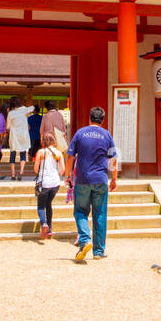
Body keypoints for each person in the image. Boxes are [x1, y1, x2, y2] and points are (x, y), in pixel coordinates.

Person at [66, 105, 117, 262]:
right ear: (102, 120)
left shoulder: (80, 133)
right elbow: (113, 159)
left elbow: (70, 155)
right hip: (101, 180)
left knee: (80, 211)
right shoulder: (107, 135)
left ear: (89, 118)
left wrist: (68, 175)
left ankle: (85, 239)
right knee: (100, 213)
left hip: (82, 179)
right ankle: (99, 251)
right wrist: (114, 178)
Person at [33, 135, 65, 238]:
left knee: (41, 206)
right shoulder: (59, 153)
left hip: (44, 183)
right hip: (55, 183)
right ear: (53, 141)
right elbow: (63, 169)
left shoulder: (41, 152)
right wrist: (57, 176)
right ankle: (50, 229)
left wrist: (42, 174)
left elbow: (35, 168)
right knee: (49, 204)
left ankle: (44, 224)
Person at [6, 95, 35, 179]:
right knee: (23, 154)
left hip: (14, 135)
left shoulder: (11, 113)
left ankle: (13, 174)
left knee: (13, 154)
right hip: (23, 134)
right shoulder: (24, 110)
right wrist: (26, 111)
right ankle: (21, 172)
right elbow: (32, 107)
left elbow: (8, 127)